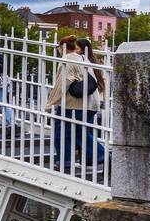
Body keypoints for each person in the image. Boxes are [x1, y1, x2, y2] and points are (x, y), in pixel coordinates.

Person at [45, 34, 93, 172]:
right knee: (80, 132)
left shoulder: (67, 60)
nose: (58, 50)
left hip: (71, 103)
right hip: (86, 102)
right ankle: (95, 158)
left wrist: (50, 104)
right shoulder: (82, 58)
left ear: (63, 47)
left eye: (59, 47)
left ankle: (65, 161)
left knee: (61, 132)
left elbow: (61, 85)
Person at [76, 37, 109, 165]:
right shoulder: (94, 62)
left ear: (83, 49)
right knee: (85, 131)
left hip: (88, 102)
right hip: (95, 102)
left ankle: (104, 155)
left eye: (77, 48)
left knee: (81, 132)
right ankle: (89, 158)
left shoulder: (84, 62)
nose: (75, 50)